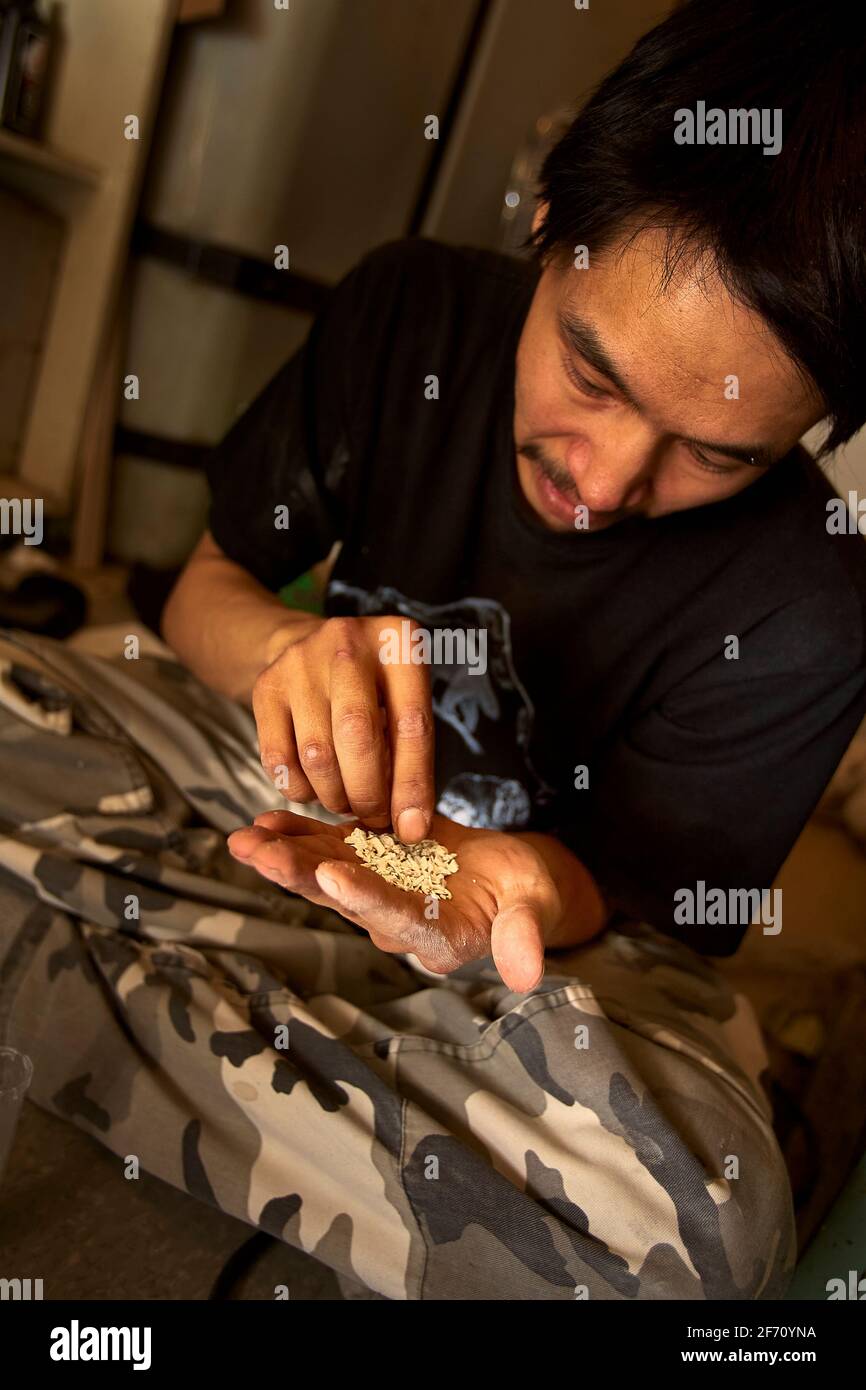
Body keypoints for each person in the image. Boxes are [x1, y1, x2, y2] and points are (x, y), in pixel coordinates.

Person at [3, 0, 865, 1299]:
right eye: (591, 374)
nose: (609, 479)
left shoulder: (819, 593)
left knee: (693, 1223)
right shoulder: (407, 313)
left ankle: (121, 989)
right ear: (542, 220)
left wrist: (514, 878)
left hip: (549, 925)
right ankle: (260, 1036)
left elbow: (635, 890)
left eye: (717, 453)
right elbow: (204, 589)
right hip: (285, 789)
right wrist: (283, 650)